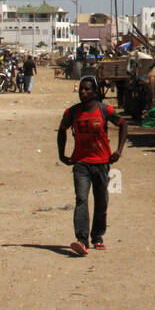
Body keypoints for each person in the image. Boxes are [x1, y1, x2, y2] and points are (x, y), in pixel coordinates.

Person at [58, 75, 127, 254]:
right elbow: (62, 130)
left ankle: (97, 236)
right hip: (81, 164)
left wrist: (118, 150)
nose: (83, 92)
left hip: (102, 164)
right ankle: (81, 239)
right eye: (81, 89)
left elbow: (122, 124)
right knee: (81, 199)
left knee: (101, 201)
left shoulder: (106, 110)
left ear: (95, 92)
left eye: (87, 89)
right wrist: (61, 154)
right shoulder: (71, 113)